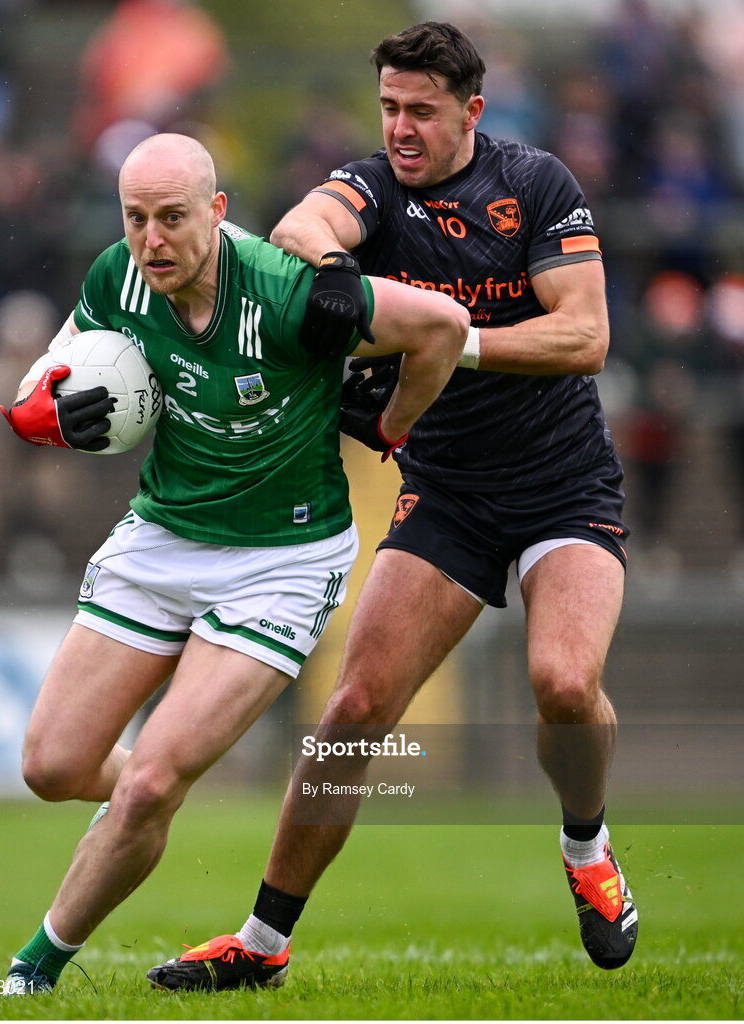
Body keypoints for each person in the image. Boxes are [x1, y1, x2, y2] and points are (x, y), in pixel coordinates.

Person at [147, 22, 638, 993]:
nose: (402, 128)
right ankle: (262, 940)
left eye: (421, 110)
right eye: (390, 108)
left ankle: (587, 847)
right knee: (354, 713)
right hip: (450, 489)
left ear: (471, 112)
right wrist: (333, 275)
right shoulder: (373, 184)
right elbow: (298, 227)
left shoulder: (535, 184)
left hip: (563, 485)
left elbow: (585, 336)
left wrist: (449, 342)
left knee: (564, 685)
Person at [0, 131, 468, 995]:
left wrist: (393, 425)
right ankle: (139, 803)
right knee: (51, 767)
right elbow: (54, 366)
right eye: (136, 219)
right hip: (164, 536)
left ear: (217, 212)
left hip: (281, 561)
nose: (152, 241)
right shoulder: (119, 276)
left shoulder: (288, 293)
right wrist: (40, 408)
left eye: (173, 218)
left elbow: (443, 325)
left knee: (148, 784)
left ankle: (32, 972)